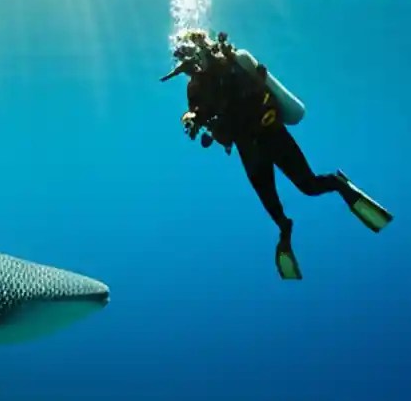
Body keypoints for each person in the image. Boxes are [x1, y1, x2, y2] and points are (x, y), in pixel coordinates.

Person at [161, 30, 393, 280]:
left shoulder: (230, 60)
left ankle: (340, 184)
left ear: (201, 46)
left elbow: (254, 79)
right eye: (181, 56)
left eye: (190, 51)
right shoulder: (194, 87)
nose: (188, 61)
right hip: (247, 148)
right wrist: (191, 119)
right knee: (274, 209)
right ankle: (285, 231)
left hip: (270, 132)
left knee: (309, 186)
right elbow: (195, 110)